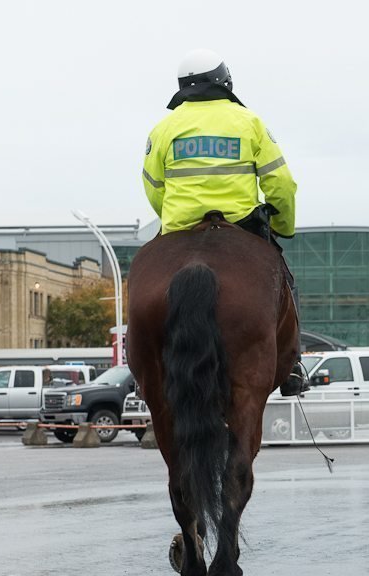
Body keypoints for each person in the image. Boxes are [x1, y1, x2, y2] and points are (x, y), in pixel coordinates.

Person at [142, 48, 308, 396]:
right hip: (241, 225)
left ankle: (144, 365)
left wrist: (171, 218)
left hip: (178, 228)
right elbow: (281, 184)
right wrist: (283, 226)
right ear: (224, 82)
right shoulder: (249, 122)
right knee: (284, 280)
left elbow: (154, 187)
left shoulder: (162, 129)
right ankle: (293, 364)